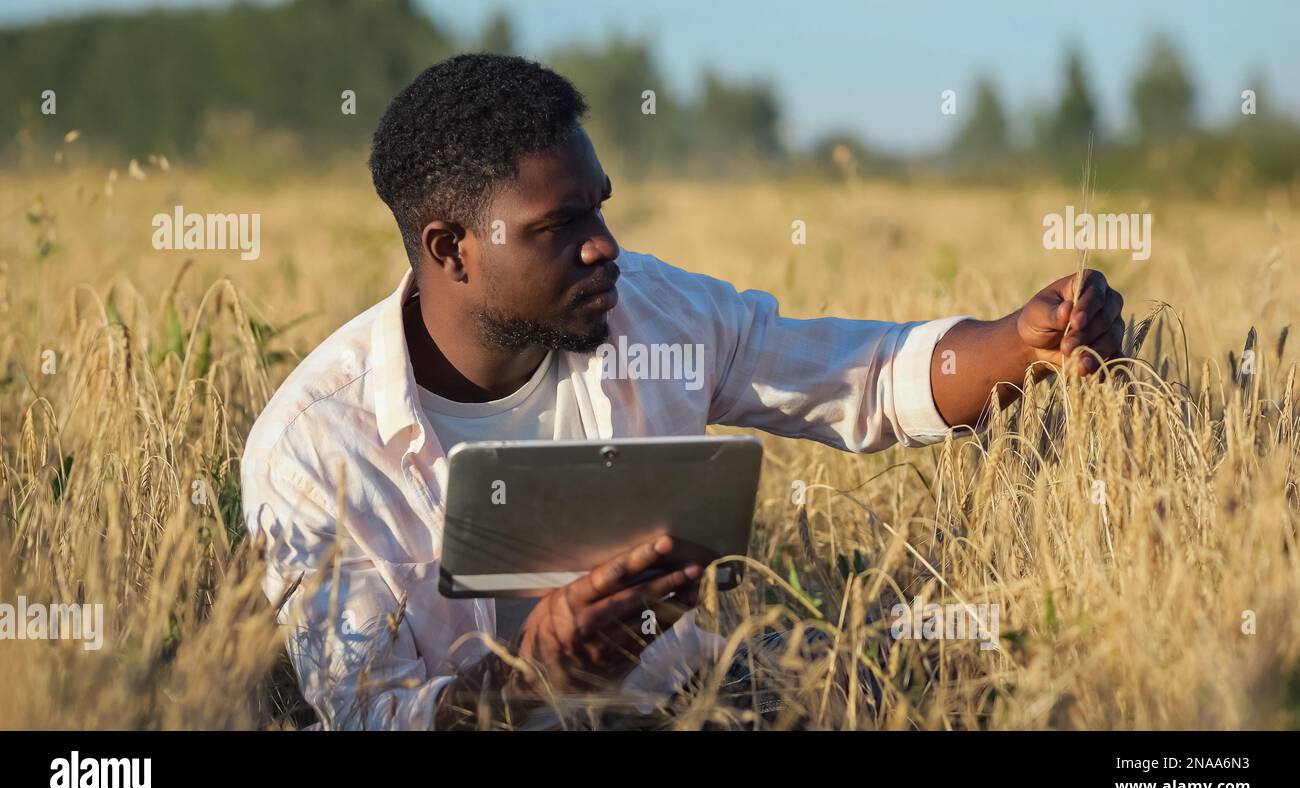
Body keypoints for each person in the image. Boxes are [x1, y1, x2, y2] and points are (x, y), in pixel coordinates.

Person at [241, 54, 1125, 730]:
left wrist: (1020, 342)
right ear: (450, 249)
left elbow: (872, 378)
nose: (603, 246)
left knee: (903, 681)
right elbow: (375, 714)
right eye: (560, 227)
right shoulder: (315, 446)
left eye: (598, 208)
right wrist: (537, 670)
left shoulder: (646, 308)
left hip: (685, 692)